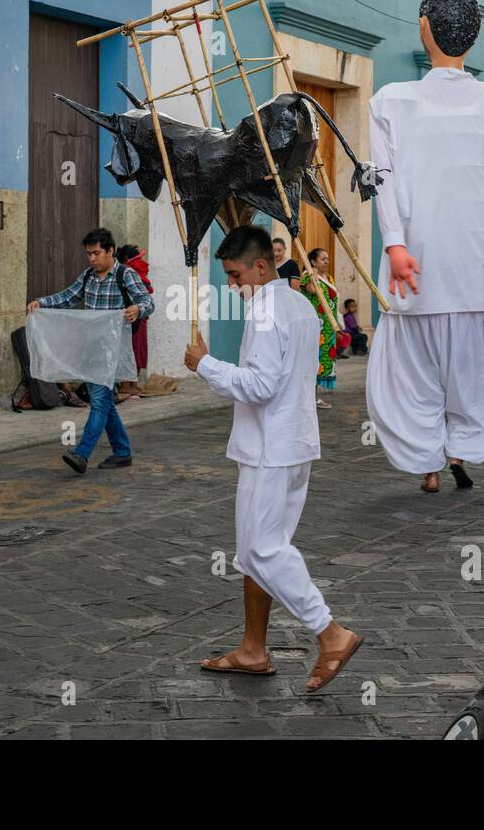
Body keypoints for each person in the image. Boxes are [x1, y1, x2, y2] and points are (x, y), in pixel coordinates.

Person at [184, 226, 363, 693]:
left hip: (270, 448)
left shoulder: (265, 312)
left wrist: (204, 364)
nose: (231, 285)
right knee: (258, 551)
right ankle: (252, 649)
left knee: (261, 550)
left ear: (260, 267)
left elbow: (261, 386)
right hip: (293, 441)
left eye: (234, 274)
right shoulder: (298, 303)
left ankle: (331, 633)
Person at [366, 0, 484, 493]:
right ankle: (459, 449)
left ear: (423, 28)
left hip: (414, 261)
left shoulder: (391, 101)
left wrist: (395, 243)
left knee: (414, 371)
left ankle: (428, 462)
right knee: (473, 373)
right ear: (474, 37)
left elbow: (379, 176)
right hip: (476, 265)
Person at [27, 227, 153, 473]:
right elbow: (68, 297)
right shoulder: (88, 277)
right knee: (105, 403)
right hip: (92, 348)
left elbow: (148, 300)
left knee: (98, 402)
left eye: (96, 253)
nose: (92, 259)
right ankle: (122, 452)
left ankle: (82, 453)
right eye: (89, 254)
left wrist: (138, 309)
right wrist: (41, 303)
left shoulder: (125, 275)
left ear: (110, 251)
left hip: (113, 351)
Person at [298, 247, 344, 407]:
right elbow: (311, 290)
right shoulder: (307, 277)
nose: (326, 261)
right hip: (315, 327)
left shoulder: (329, 278)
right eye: (322, 259)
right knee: (312, 361)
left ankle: (313, 396)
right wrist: (312, 275)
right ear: (312, 261)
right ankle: (310, 397)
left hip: (327, 329)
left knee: (322, 362)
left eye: (327, 258)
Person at [115, 243, 152, 398]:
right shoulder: (125, 275)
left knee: (139, 349)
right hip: (128, 319)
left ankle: (134, 383)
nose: (143, 262)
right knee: (128, 349)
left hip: (140, 317)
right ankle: (125, 384)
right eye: (138, 258)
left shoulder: (138, 276)